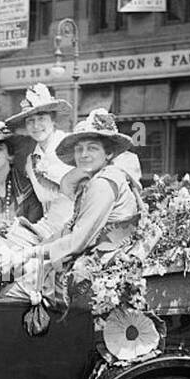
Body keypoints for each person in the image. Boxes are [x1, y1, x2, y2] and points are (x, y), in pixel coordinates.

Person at [15, 109, 142, 270]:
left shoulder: (103, 183)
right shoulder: (93, 180)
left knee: (13, 285)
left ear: (108, 153)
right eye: (79, 149)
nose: (84, 154)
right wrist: (33, 248)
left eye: (92, 148)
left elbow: (77, 241)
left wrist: (33, 252)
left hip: (100, 266)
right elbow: (71, 227)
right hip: (87, 256)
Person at [5, 84, 75, 239]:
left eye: (42, 119)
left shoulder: (70, 147)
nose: (36, 126)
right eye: (30, 121)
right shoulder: (31, 161)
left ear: (53, 120)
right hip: (48, 230)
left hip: (77, 228)